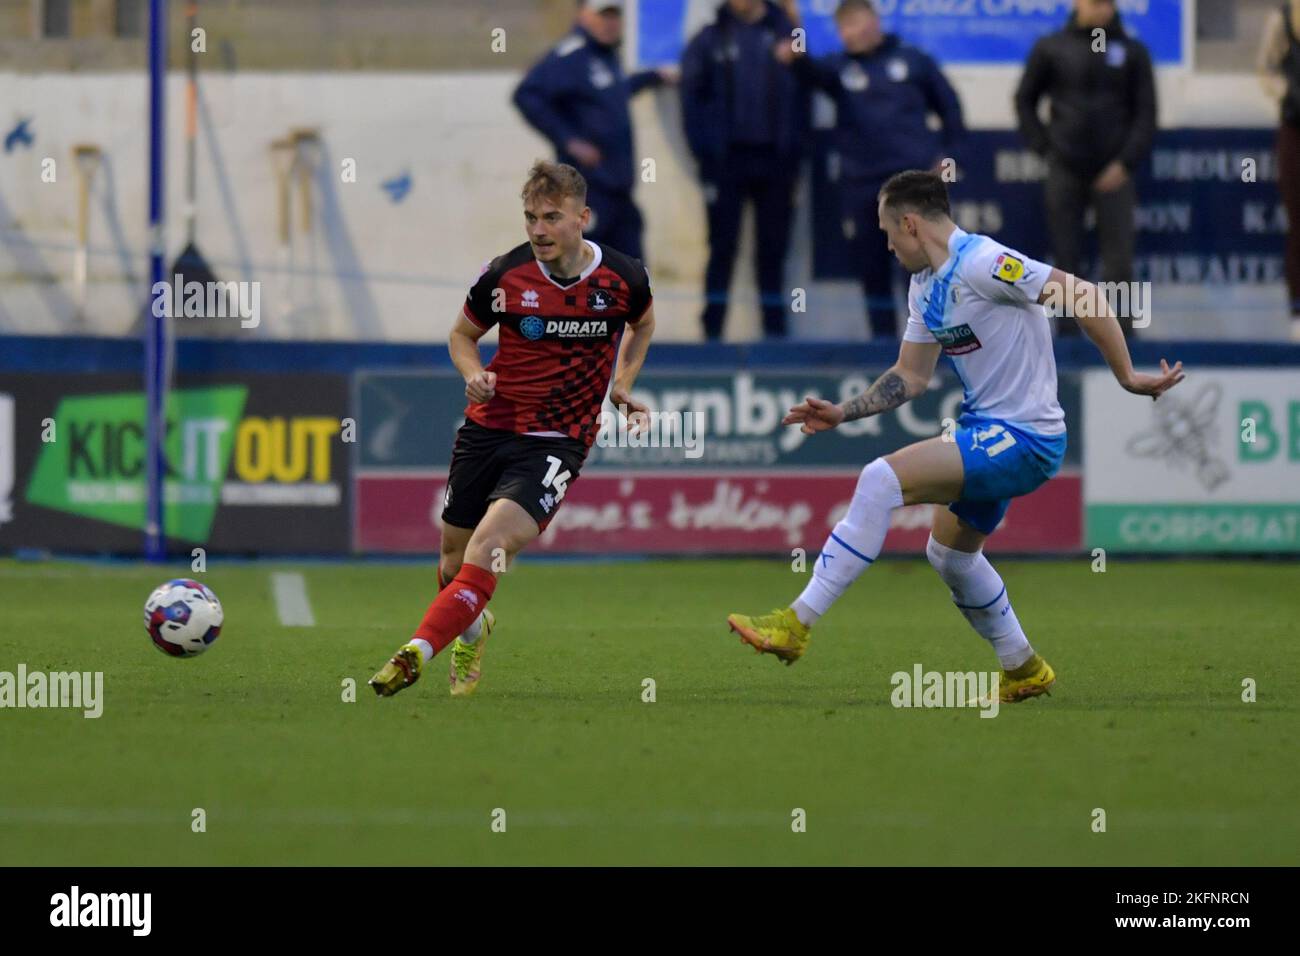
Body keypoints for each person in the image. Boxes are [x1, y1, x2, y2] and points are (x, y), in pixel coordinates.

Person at [726, 171, 1183, 702]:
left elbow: (1083, 295)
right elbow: (911, 376)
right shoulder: (925, 286)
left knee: (879, 480)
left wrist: (1127, 376)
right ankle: (1023, 668)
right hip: (987, 433)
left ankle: (795, 625)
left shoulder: (985, 263)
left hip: (1024, 437)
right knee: (951, 557)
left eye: (887, 231)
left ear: (910, 223)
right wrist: (842, 413)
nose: (887, 244)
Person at [370, 161, 655, 698]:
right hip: (487, 430)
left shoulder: (624, 277)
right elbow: (460, 335)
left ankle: (416, 651)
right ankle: (474, 629)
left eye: (551, 217)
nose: (538, 229)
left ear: (582, 217)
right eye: (530, 217)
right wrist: (473, 373)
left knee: (489, 544)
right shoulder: (504, 275)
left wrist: (622, 383)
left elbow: (642, 325)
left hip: (558, 441)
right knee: (452, 559)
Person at [777, 0, 964, 338]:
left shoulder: (912, 60)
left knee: (920, 270)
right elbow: (805, 69)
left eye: (856, 23)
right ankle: (884, 351)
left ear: (873, 23)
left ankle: (931, 348)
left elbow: (951, 108)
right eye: (843, 28)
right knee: (872, 270)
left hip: (911, 186)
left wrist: (948, 159)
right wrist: (795, 30)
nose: (851, 33)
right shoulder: (838, 68)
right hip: (862, 185)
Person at [1014, 0, 1156, 338]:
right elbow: (1024, 100)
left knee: (1119, 262)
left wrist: (1125, 163)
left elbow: (1146, 114)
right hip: (1065, 167)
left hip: (1115, 171)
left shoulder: (1132, 51)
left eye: (1107, 3)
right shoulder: (1052, 47)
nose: (1101, 10)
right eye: (1094, 2)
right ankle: (1067, 338)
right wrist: (1046, 149)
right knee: (1065, 260)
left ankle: (1122, 340)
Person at [680, 0, 809, 339]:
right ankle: (711, 336)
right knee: (722, 248)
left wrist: (795, 32)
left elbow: (809, 80)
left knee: (773, 252)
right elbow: (690, 98)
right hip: (726, 163)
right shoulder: (709, 39)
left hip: (777, 162)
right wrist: (705, 153)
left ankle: (776, 336)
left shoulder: (785, 34)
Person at [513, 0, 673, 261]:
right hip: (588, 190)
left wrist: (654, 76)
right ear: (583, 15)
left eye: (615, 15)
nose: (610, 23)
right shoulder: (570, 55)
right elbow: (527, 94)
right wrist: (569, 140)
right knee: (586, 278)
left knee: (633, 278)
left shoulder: (606, 54)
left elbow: (611, 93)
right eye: (603, 15)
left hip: (619, 190)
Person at [1257, 0, 1300, 342]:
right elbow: (1266, 68)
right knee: (1297, 223)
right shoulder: (1283, 19)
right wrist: (1287, 93)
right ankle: (1297, 310)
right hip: (1295, 130)